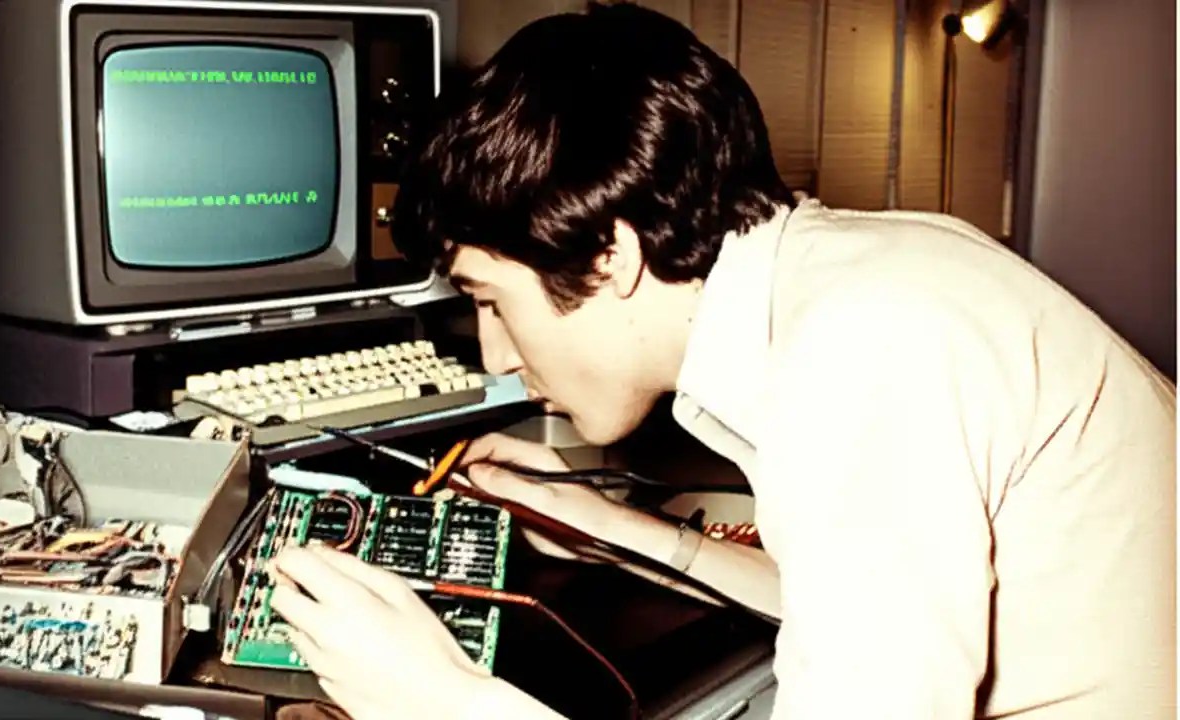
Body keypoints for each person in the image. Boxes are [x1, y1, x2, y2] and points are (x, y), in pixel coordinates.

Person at [268, 3, 1177, 719]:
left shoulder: (861, 353)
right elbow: (863, 608)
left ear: (610, 256)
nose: (499, 358)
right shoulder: (871, 270)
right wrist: (616, 531)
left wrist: (446, 703)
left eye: (488, 301)